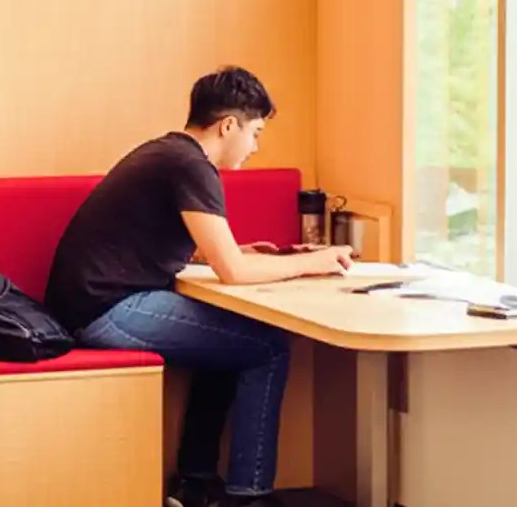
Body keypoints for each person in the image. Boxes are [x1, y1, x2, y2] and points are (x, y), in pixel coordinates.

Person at [44, 66, 353, 507]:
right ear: (229, 125)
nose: (256, 147)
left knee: (229, 338)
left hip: (92, 302)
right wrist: (317, 260)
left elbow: (192, 249)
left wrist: (243, 251)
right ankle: (249, 495)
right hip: (104, 310)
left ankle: (195, 484)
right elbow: (232, 273)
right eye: (256, 133)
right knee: (267, 347)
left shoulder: (168, 152)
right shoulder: (193, 166)